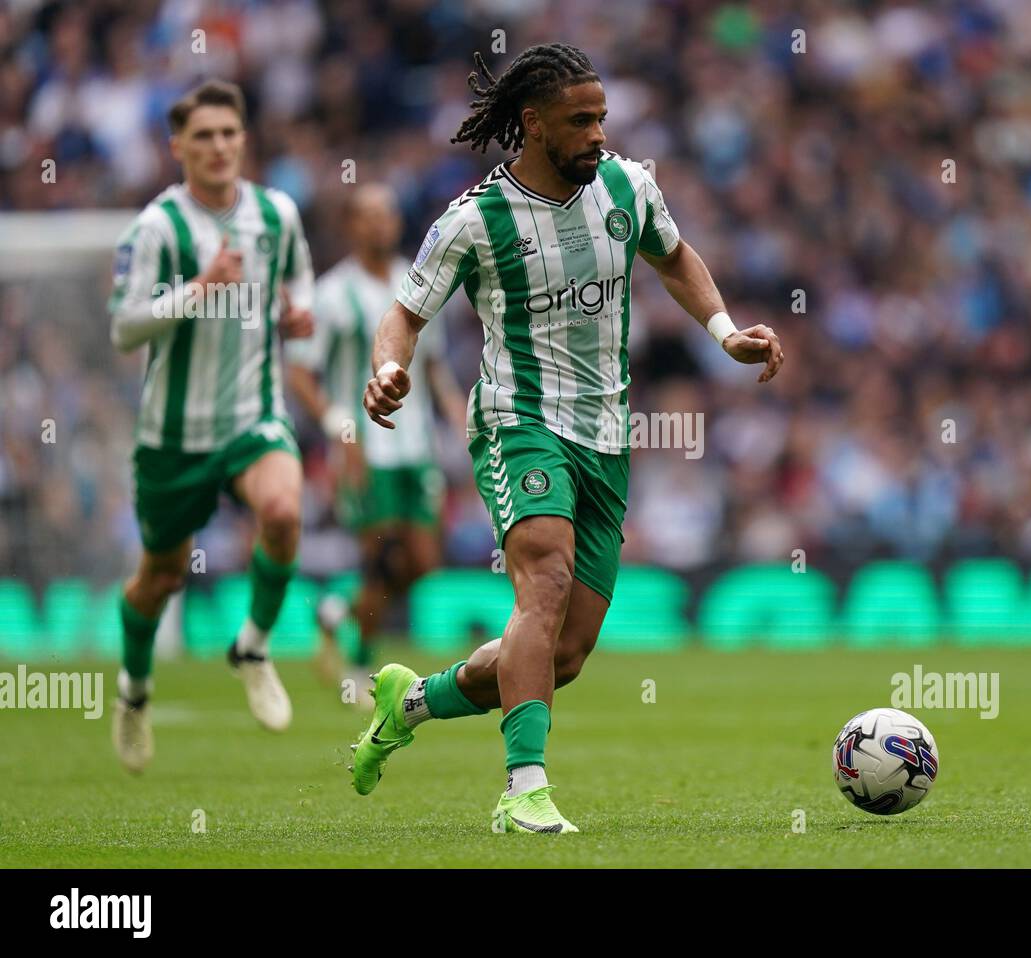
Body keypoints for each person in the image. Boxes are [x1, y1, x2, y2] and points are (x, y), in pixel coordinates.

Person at [352, 43, 783, 833]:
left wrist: (724, 332)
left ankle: (409, 703)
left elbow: (675, 255)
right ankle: (525, 790)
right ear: (533, 123)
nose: (596, 135)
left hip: (607, 435)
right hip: (518, 421)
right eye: (579, 122)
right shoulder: (474, 219)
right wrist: (387, 370)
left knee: (562, 654)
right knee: (541, 583)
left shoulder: (627, 185)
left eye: (602, 119)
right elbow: (407, 312)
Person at [107, 79, 314, 772]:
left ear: (244, 138)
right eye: (203, 136)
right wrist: (200, 288)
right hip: (172, 439)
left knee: (284, 511)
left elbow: (299, 284)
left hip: (252, 417)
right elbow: (124, 328)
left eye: (229, 132)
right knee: (159, 578)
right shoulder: (157, 228)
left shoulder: (277, 214)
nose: (219, 146)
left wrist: (297, 315)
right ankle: (134, 692)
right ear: (178, 148)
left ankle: (251, 646)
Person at [286, 183, 464, 704]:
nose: (381, 225)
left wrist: (457, 414)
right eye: (368, 216)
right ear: (350, 226)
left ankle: (337, 611)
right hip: (365, 444)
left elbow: (432, 365)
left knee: (424, 562)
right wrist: (341, 429)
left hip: (418, 448)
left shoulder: (418, 281)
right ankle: (359, 669)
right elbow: (300, 373)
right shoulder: (332, 293)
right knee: (382, 559)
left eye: (387, 215)